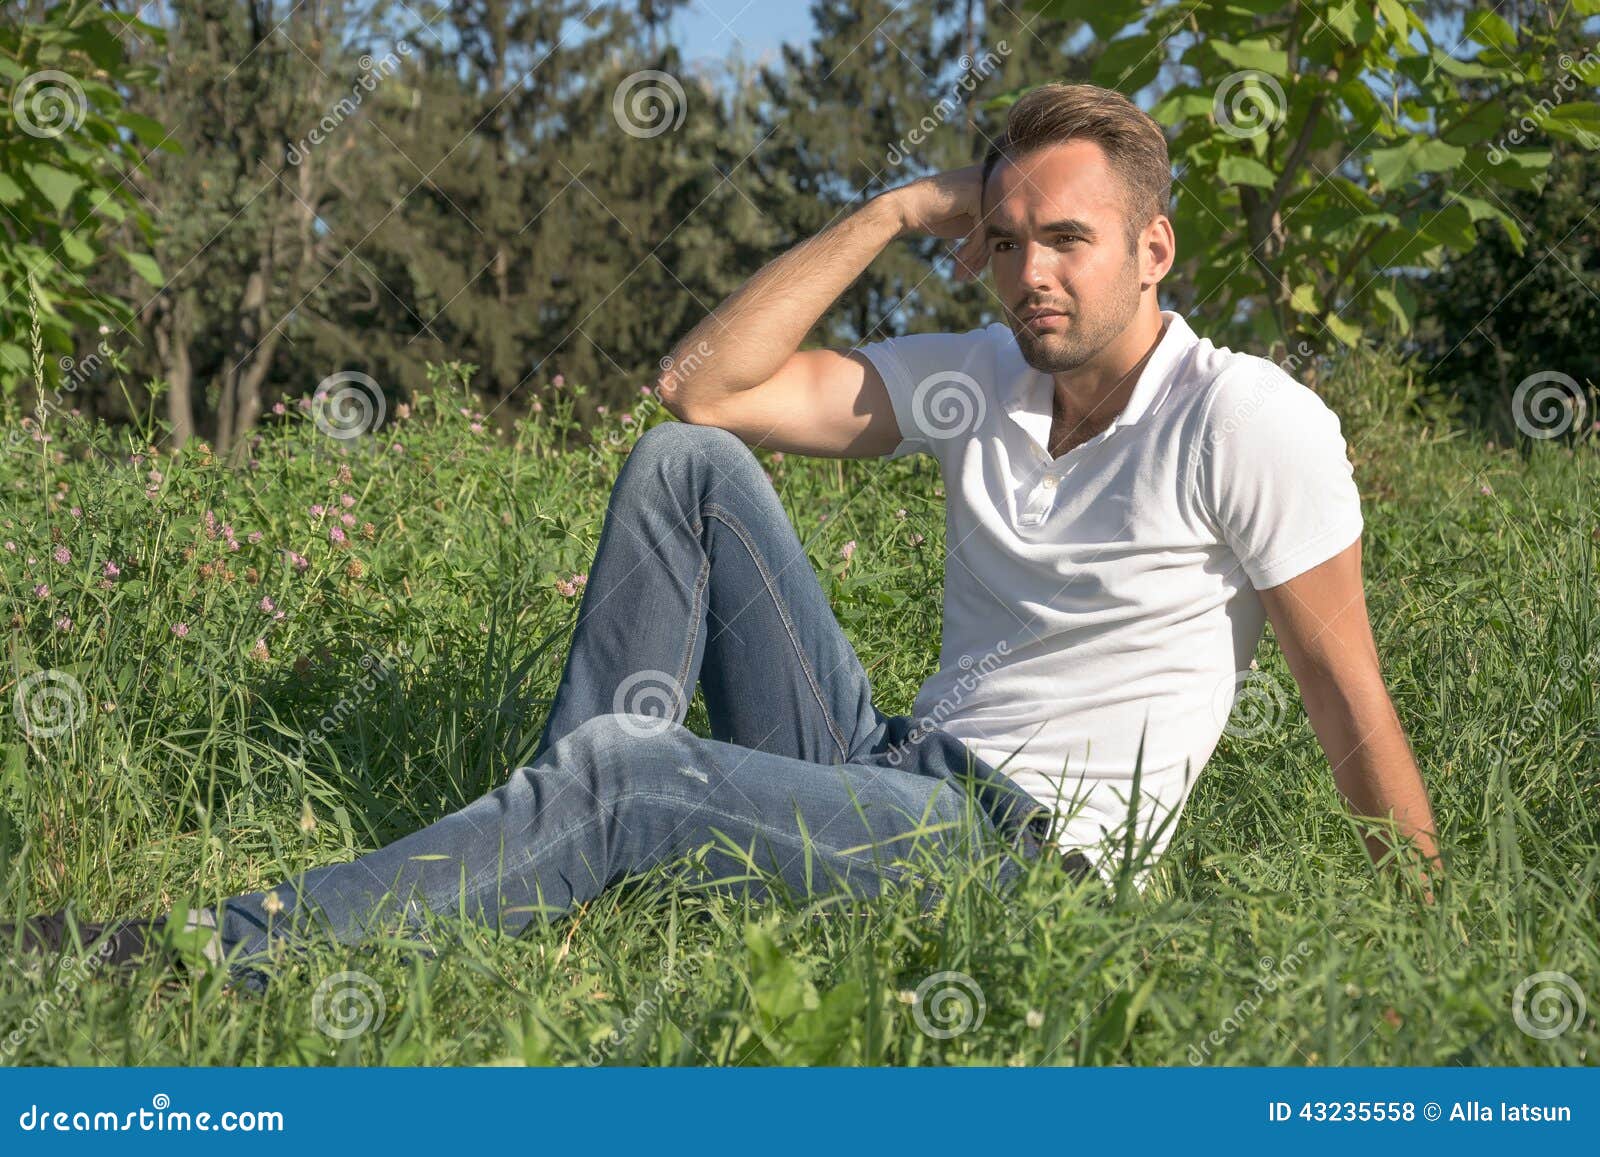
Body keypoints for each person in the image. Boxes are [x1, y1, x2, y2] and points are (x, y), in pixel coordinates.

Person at [3, 83, 1439, 989]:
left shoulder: (1250, 421)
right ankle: (555, 852)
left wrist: (1419, 949)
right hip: (887, 764)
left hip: (1013, 856)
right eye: (1005, 239)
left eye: (1069, 236)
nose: (1033, 272)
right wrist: (891, 209)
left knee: (636, 772)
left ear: (1154, 248)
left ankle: (211, 954)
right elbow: (706, 387)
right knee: (685, 463)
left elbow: (1346, 696)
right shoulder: (983, 374)